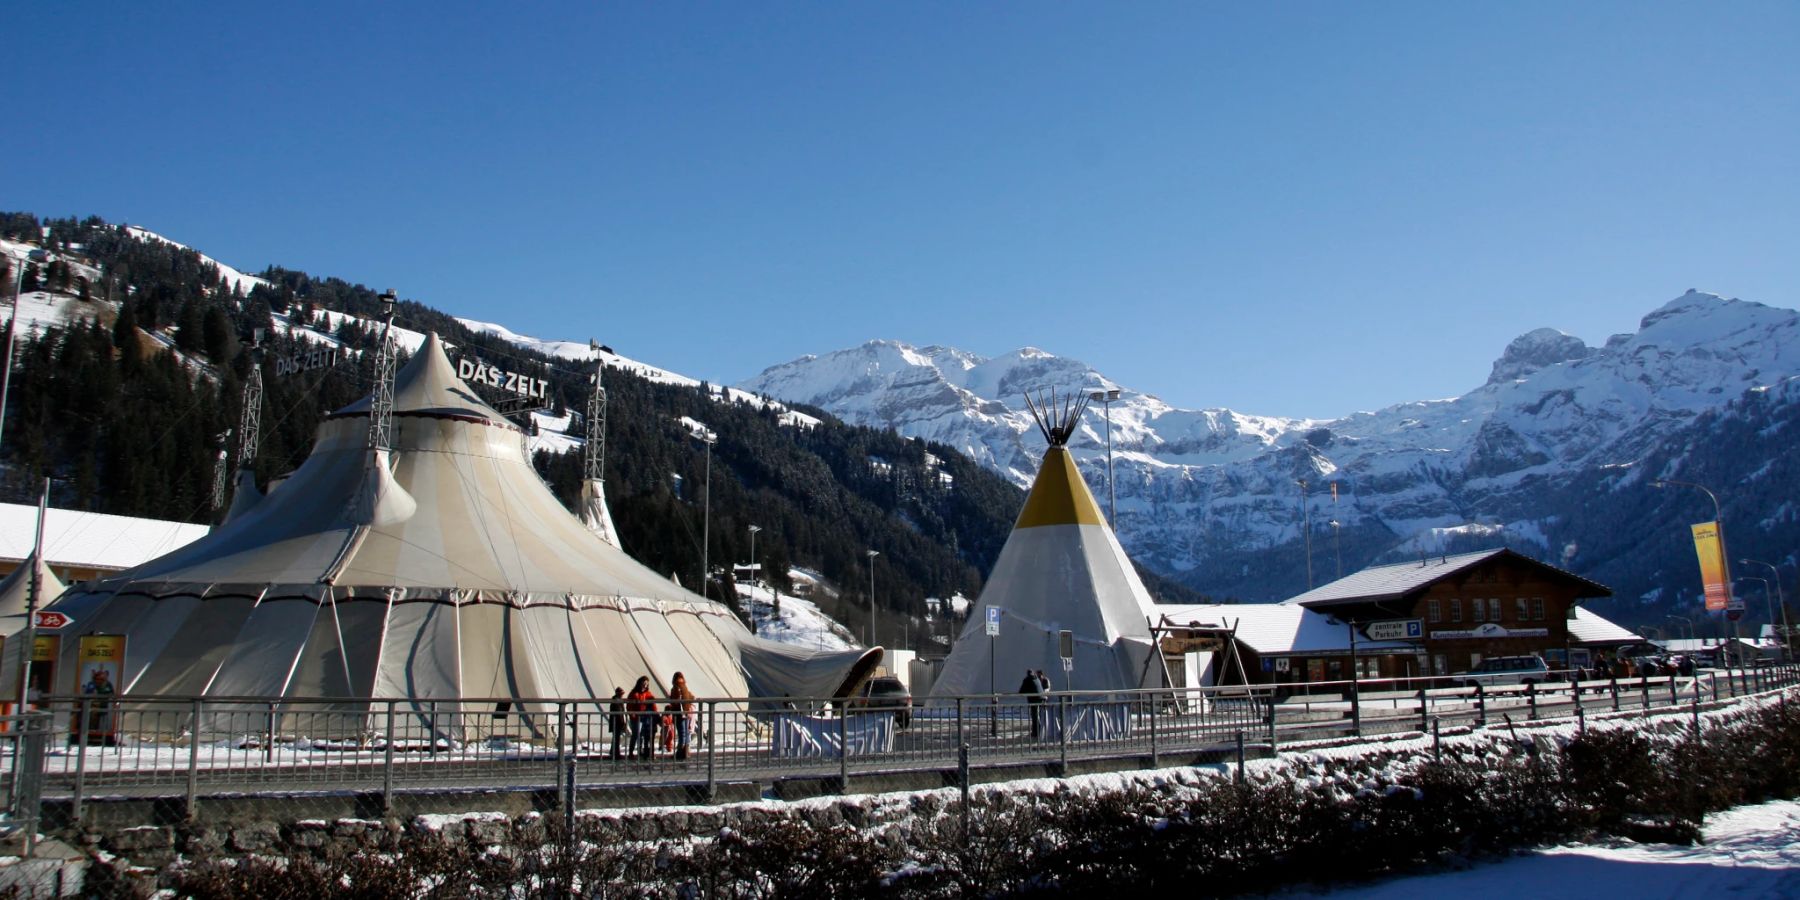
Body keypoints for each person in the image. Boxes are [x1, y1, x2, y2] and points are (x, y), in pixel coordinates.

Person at [667, 672, 697, 761]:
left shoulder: (675, 688)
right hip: (686, 712)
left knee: (681, 734)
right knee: (686, 733)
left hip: (679, 713)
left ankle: (680, 752)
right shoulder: (684, 687)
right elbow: (692, 697)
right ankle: (686, 752)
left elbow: (674, 700)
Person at [626, 676, 657, 760]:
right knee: (636, 734)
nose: (645, 685)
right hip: (636, 718)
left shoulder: (648, 693)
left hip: (645, 717)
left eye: (646, 683)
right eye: (644, 683)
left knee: (643, 735)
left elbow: (653, 704)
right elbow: (629, 705)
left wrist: (655, 713)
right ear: (640, 683)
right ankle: (631, 752)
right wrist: (632, 713)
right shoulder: (634, 693)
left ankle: (641, 751)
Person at [1018, 669, 1043, 739]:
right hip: (1041, 698)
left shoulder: (1027, 680)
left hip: (1034, 699)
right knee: (1039, 715)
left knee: (1035, 716)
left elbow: (1021, 691)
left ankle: (1036, 732)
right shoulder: (1037, 678)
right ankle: (1039, 731)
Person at [607, 687, 627, 761]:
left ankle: (613, 751)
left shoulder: (617, 700)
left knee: (616, 737)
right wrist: (622, 722)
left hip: (617, 722)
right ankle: (615, 753)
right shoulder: (616, 701)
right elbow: (619, 713)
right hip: (617, 722)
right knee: (616, 738)